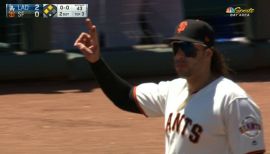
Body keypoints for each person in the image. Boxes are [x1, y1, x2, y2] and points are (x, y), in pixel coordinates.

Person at [74, 18, 265, 154]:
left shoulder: (233, 101)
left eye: (189, 49)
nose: (180, 55)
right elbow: (124, 97)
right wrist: (96, 61)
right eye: (176, 48)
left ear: (208, 54)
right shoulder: (173, 90)